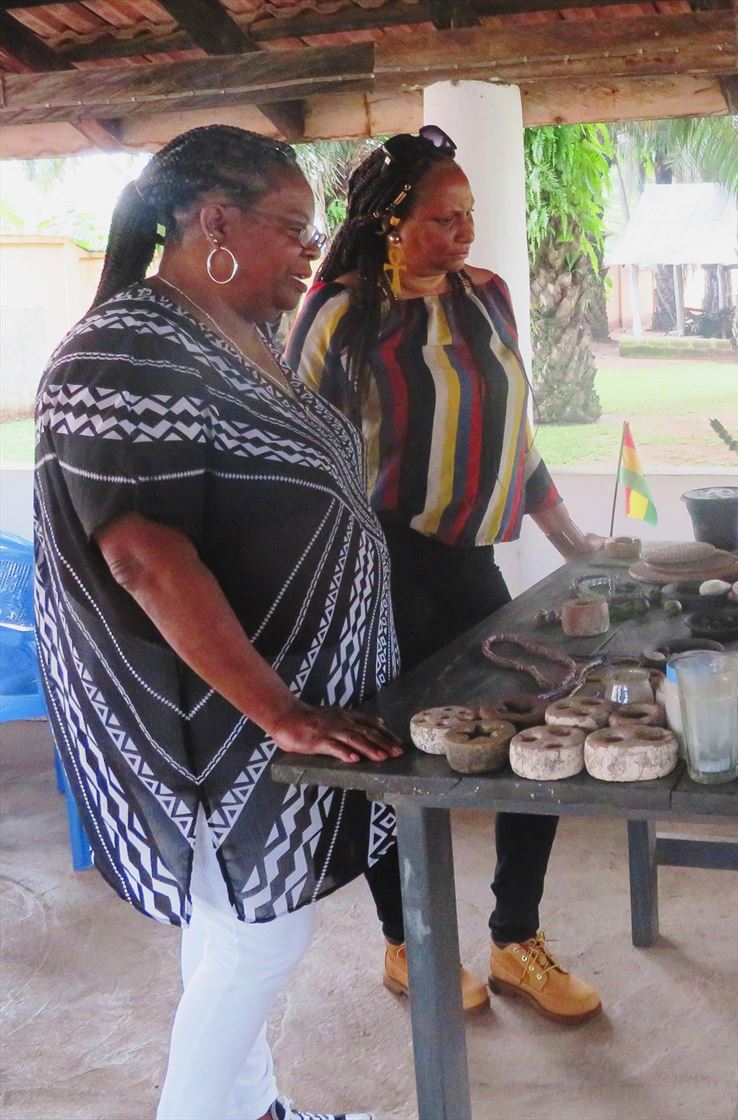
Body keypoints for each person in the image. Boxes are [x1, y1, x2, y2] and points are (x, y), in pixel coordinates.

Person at [35, 125, 402, 1120]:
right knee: (258, 933)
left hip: (260, 698)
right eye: (293, 230)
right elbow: (141, 552)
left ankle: (255, 1110)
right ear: (214, 221)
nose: (307, 254)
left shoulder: (238, 340)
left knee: (227, 919)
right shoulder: (121, 349)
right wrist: (279, 709)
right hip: (205, 716)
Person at [286, 127, 603, 1024]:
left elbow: (516, 443)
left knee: (534, 738)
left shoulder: (487, 297)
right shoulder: (341, 313)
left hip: (470, 560)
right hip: (379, 562)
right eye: (442, 219)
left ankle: (516, 938)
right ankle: (408, 942)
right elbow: (304, 461)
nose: (463, 234)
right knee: (399, 753)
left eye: (469, 216)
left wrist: (572, 541)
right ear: (390, 224)